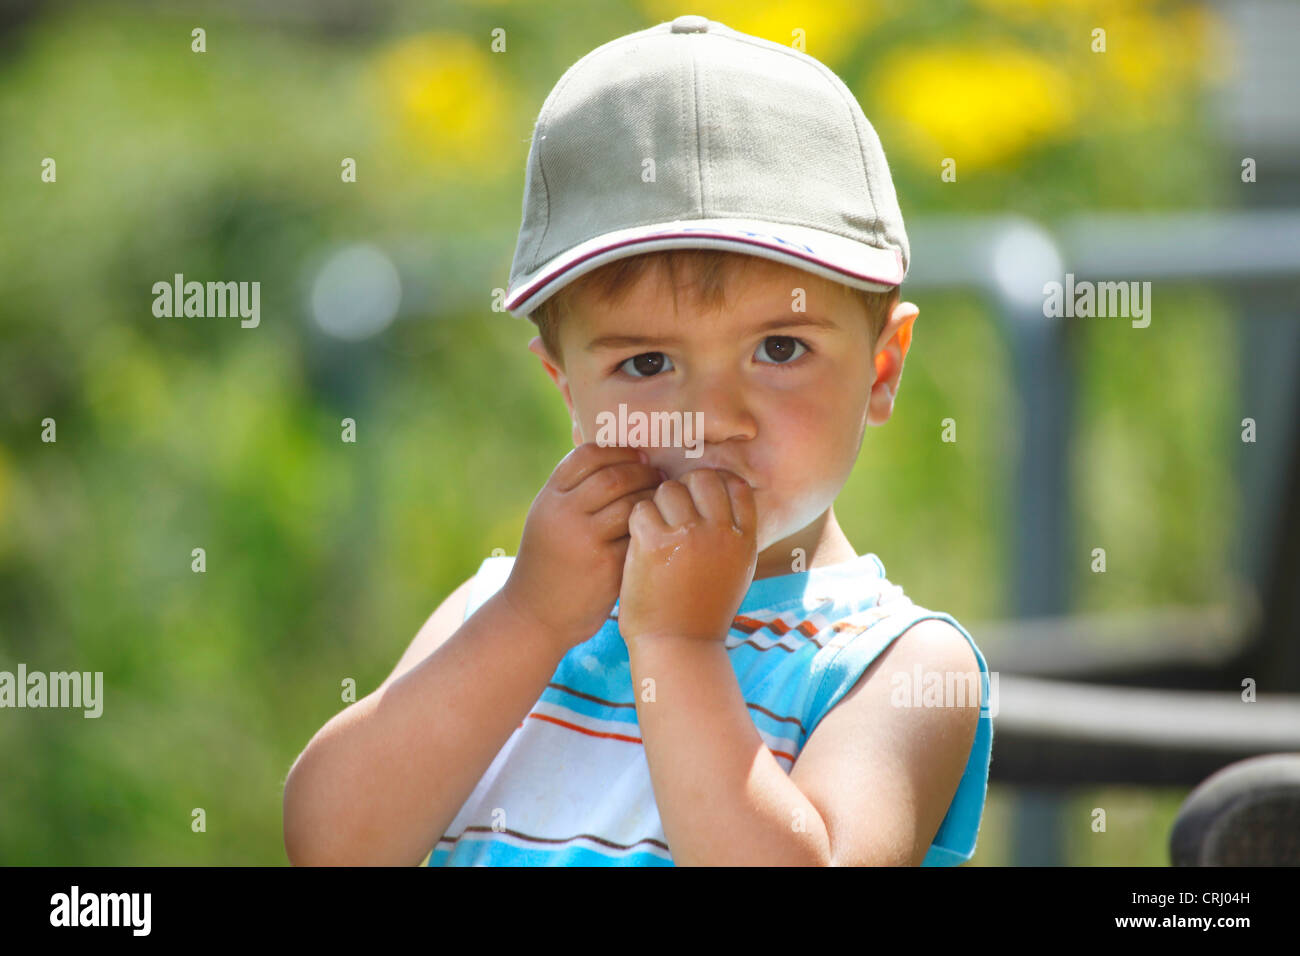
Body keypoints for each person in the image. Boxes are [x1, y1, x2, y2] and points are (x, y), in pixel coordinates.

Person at [283, 15, 994, 867]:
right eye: (648, 361)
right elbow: (333, 845)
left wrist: (678, 649)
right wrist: (532, 618)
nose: (712, 417)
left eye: (780, 349)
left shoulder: (896, 664)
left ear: (881, 371)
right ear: (568, 389)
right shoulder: (505, 610)